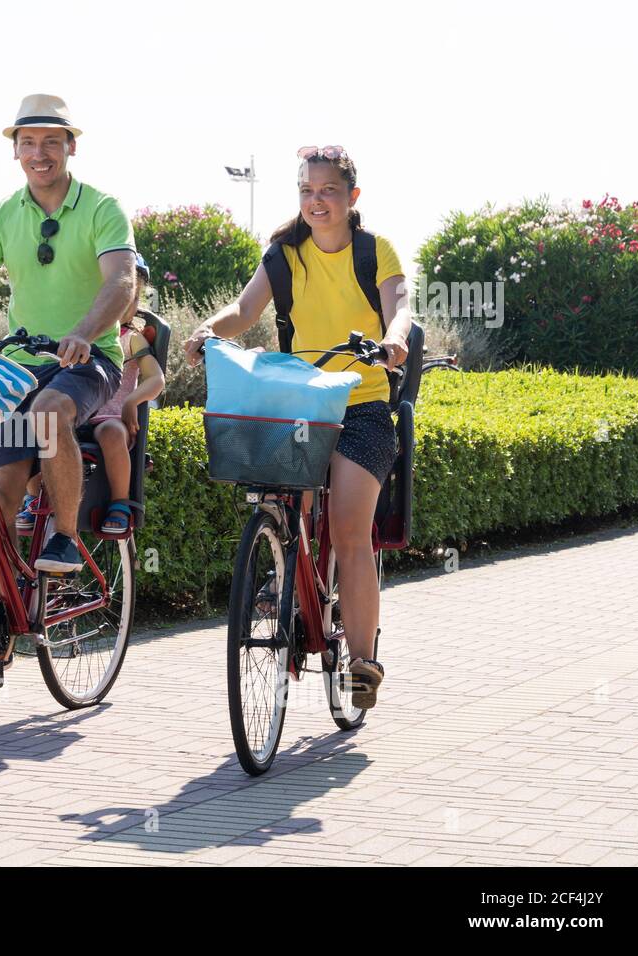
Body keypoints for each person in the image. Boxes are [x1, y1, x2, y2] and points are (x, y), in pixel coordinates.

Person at [0, 93, 137, 690]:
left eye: (51, 141)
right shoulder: (4, 215)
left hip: (89, 362)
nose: (39, 153)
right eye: (28, 142)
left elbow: (121, 281)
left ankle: (65, 535)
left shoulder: (102, 208)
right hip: (18, 366)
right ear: (15, 149)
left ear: (71, 146)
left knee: (49, 414)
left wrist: (84, 333)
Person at [183, 145, 413, 709]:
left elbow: (400, 304)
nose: (317, 201)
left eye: (328, 191)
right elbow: (243, 311)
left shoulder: (373, 251)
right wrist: (207, 330)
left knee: (350, 528)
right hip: (301, 402)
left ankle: (361, 661)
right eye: (308, 191)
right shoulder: (284, 255)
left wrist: (394, 341)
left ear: (351, 197)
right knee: (286, 497)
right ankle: (285, 566)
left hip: (361, 405)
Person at [16, 253, 164, 535]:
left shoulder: (130, 339)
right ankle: (34, 498)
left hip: (108, 417)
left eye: (132, 296)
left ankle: (120, 502)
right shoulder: (73, 333)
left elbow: (156, 378)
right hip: (73, 414)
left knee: (111, 433)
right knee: (34, 429)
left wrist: (132, 401)